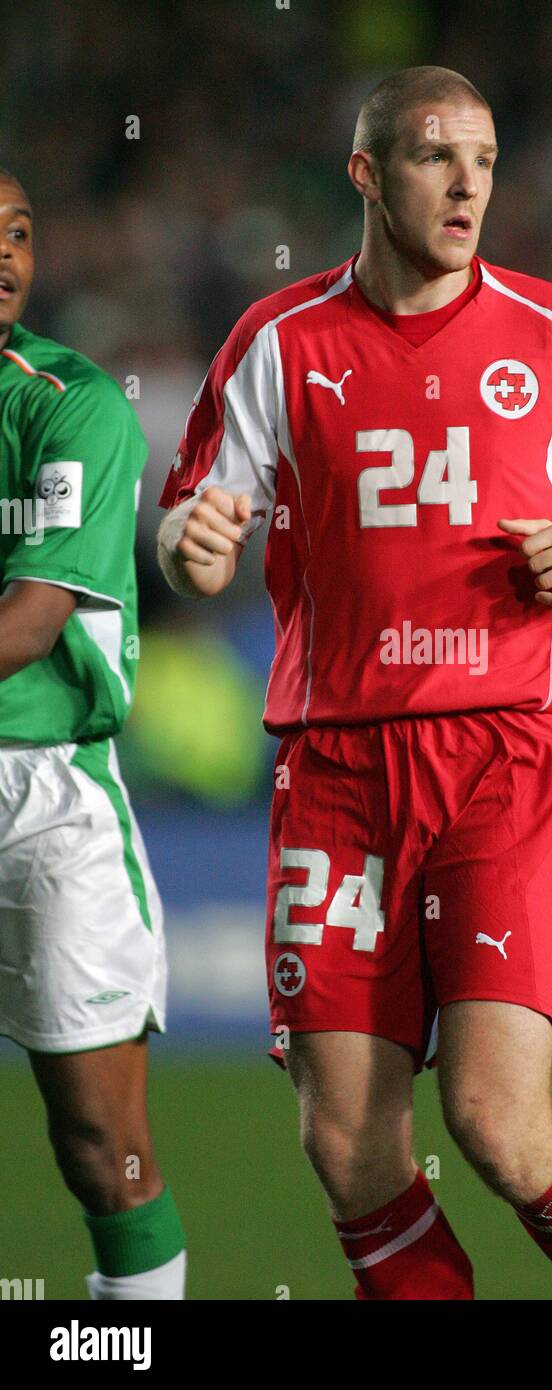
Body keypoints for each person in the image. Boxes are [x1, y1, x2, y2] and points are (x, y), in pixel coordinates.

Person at [157, 67, 552, 1300]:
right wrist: (191, 549)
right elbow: (196, 521)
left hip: (504, 749)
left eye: (485, 162)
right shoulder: (277, 342)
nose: (466, 186)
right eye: (436, 158)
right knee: (348, 1144)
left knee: (496, 1122)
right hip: (334, 771)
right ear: (365, 173)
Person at [0, 168, 185, 1299]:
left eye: (19, 231)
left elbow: (30, 620)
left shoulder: (73, 402)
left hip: (46, 799)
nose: (5, 254)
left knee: (101, 1151)